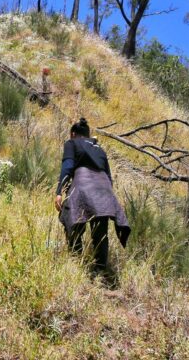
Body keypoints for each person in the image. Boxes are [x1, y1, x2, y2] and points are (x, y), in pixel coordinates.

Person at [55, 118, 130, 279]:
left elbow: (67, 166)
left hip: (83, 186)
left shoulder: (72, 143)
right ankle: (101, 270)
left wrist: (59, 191)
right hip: (104, 190)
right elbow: (109, 177)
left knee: (73, 224)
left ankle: (77, 263)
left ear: (73, 134)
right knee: (100, 231)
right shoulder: (100, 150)